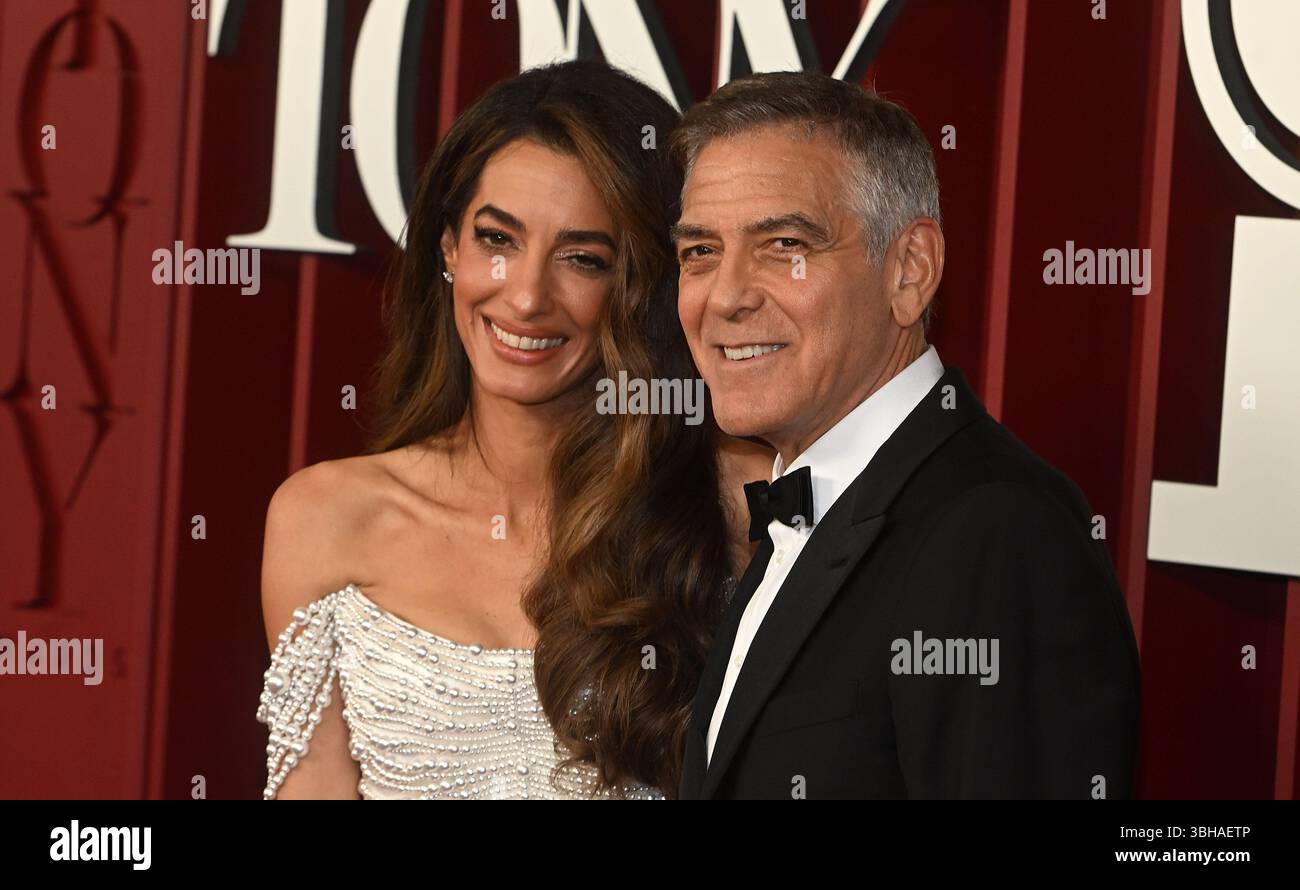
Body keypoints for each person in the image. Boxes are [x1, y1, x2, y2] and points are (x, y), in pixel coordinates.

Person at [256, 60, 770, 799]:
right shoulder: (326, 519)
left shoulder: (729, 502)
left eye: (583, 259)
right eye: (498, 239)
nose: (527, 296)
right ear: (448, 249)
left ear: (641, 284)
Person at [670, 71, 1142, 799]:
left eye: (785, 245)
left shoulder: (996, 534)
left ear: (910, 271)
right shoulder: (809, 505)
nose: (726, 296)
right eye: (700, 252)